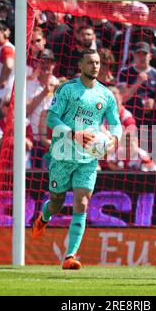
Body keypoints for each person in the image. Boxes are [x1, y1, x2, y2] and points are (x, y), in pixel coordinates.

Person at [31, 49, 122, 269]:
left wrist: (114, 140)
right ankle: (44, 217)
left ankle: (70, 256)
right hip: (62, 155)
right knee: (56, 202)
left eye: (98, 63)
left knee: (82, 203)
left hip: (89, 158)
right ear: (80, 65)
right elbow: (52, 119)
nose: (95, 66)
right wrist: (73, 134)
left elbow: (116, 123)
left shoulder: (106, 95)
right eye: (91, 62)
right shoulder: (67, 90)